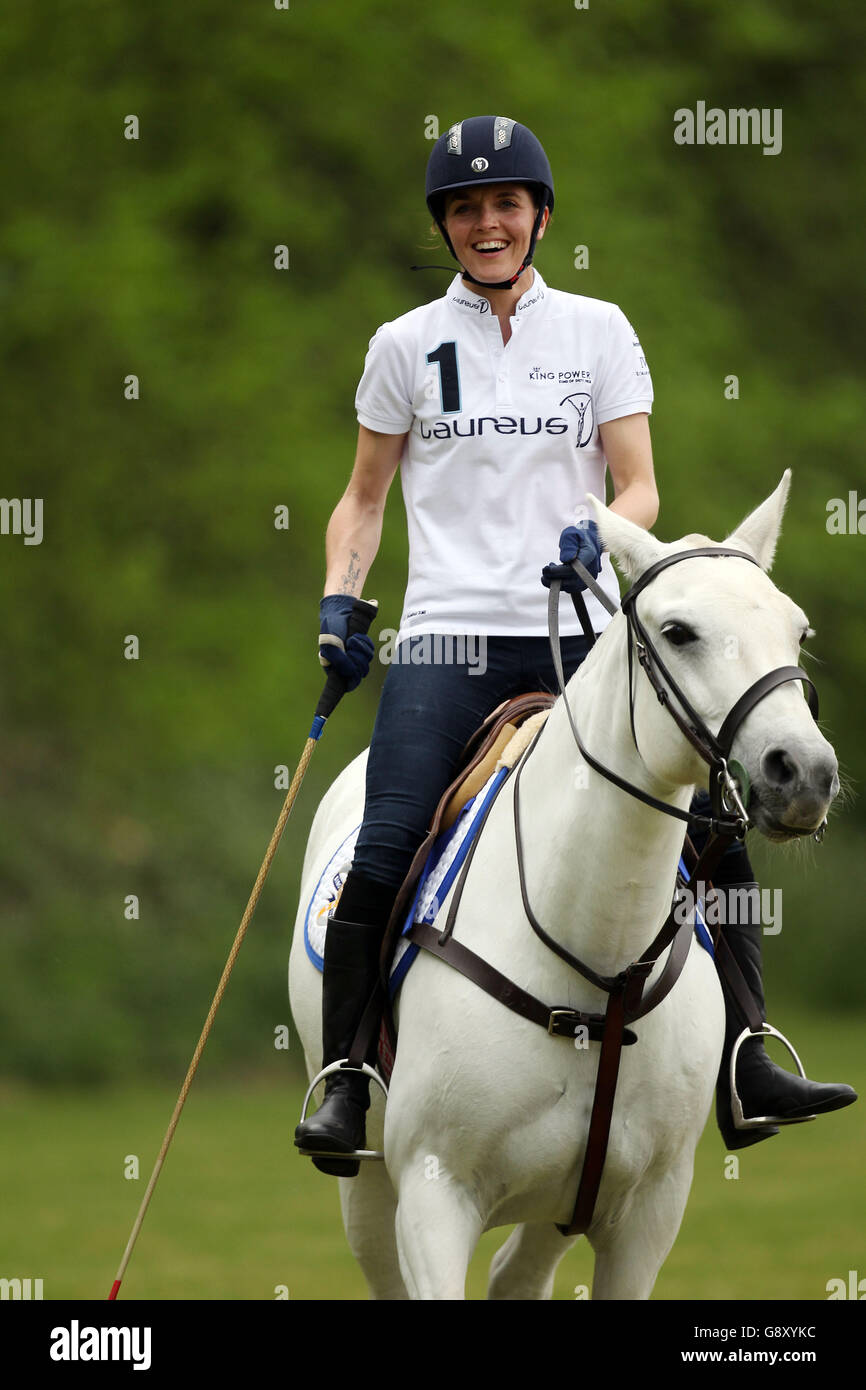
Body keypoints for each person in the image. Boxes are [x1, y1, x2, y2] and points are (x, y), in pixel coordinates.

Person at [295, 115, 855, 1175]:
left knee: (714, 829)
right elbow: (362, 500)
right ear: (446, 228)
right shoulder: (401, 347)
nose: (486, 222)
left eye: (506, 203)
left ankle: (744, 1054)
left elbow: (635, 480)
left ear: (540, 216)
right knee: (385, 839)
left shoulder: (597, 330)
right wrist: (339, 599)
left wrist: (598, 532)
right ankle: (346, 1078)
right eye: (465, 208)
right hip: (445, 636)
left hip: (584, 630)